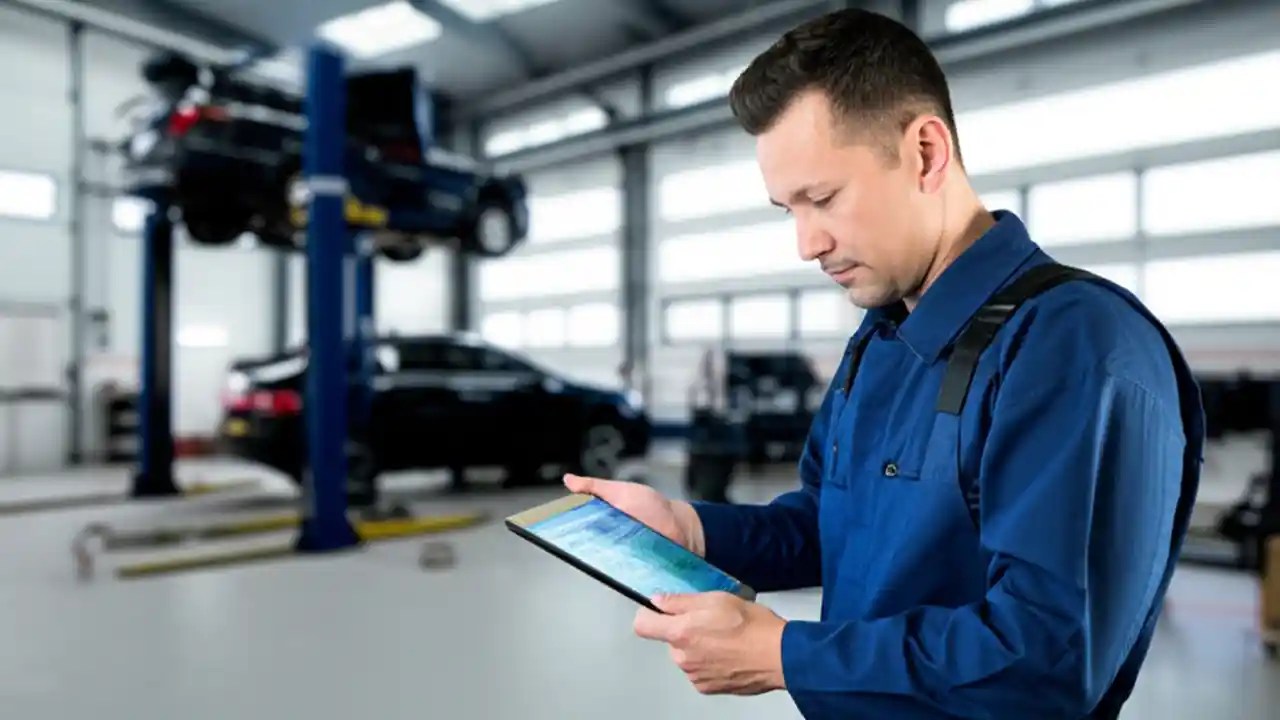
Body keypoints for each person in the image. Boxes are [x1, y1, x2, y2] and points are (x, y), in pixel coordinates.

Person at [564, 8, 1205, 720]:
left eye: (825, 198)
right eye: (788, 210)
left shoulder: (1075, 346)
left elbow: (1045, 656)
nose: (807, 243)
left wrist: (785, 655)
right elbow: (831, 525)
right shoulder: (882, 338)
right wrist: (689, 530)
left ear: (926, 152)